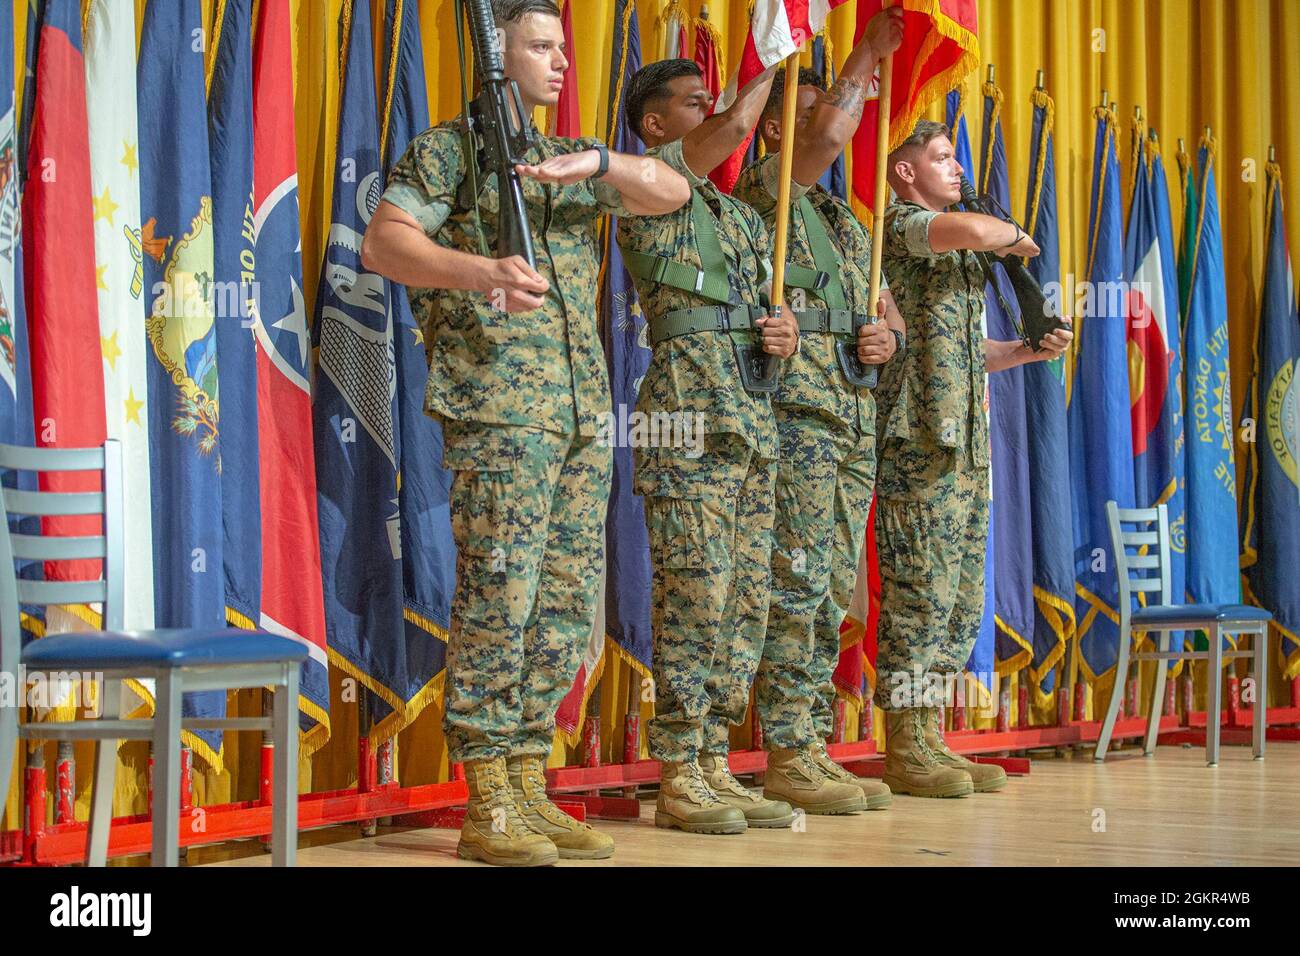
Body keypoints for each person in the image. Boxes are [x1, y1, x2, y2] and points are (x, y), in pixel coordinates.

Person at [361, 0, 689, 866]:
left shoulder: (566, 160)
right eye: (539, 47)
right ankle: (486, 795)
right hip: (501, 410)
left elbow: (675, 190)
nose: (560, 64)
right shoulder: (451, 150)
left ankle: (526, 772)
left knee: (564, 601)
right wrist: (481, 271)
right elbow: (384, 246)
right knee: (500, 595)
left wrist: (601, 160)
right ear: (494, 53)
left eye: (562, 49)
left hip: (581, 414)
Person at [617, 57, 799, 835]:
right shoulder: (648, 182)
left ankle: (715, 758)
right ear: (656, 124)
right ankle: (678, 769)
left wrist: (783, 334)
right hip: (687, 420)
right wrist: (781, 55)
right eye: (694, 103)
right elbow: (733, 127)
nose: (715, 112)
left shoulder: (744, 218)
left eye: (712, 99)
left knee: (744, 602)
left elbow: (766, 318)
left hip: (751, 424)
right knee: (696, 596)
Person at [731, 5, 905, 816]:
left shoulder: (841, 219)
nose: (832, 118)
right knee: (795, 586)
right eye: (806, 110)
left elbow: (892, 316)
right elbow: (829, 139)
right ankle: (790, 749)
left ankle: (815, 740)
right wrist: (867, 51)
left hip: (850, 416)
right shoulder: (765, 193)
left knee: (834, 586)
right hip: (796, 419)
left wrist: (885, 342)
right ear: (773, 134)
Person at [874, 119, 1072, 797]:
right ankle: (903, 741)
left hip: (962, 443)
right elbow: (985, 231)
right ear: (904, 171)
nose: (956, 169)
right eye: (941, 157)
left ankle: (929, 734)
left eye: (955, 157)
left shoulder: (956, 247)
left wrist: (1023, 350)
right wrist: (1013, 236)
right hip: (918, 440)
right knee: (917, 596)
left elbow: (966, 351)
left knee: (957, 602)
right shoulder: (902, 226)